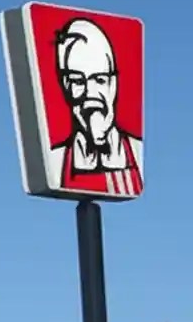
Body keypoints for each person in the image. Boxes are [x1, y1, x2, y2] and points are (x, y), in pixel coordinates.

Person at [48, 17, 143, 197]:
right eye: (78, 81)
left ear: (113, 84)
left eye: (99, 79)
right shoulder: (53, 163)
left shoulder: (137, 154)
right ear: (66, 86)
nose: (90, 93)